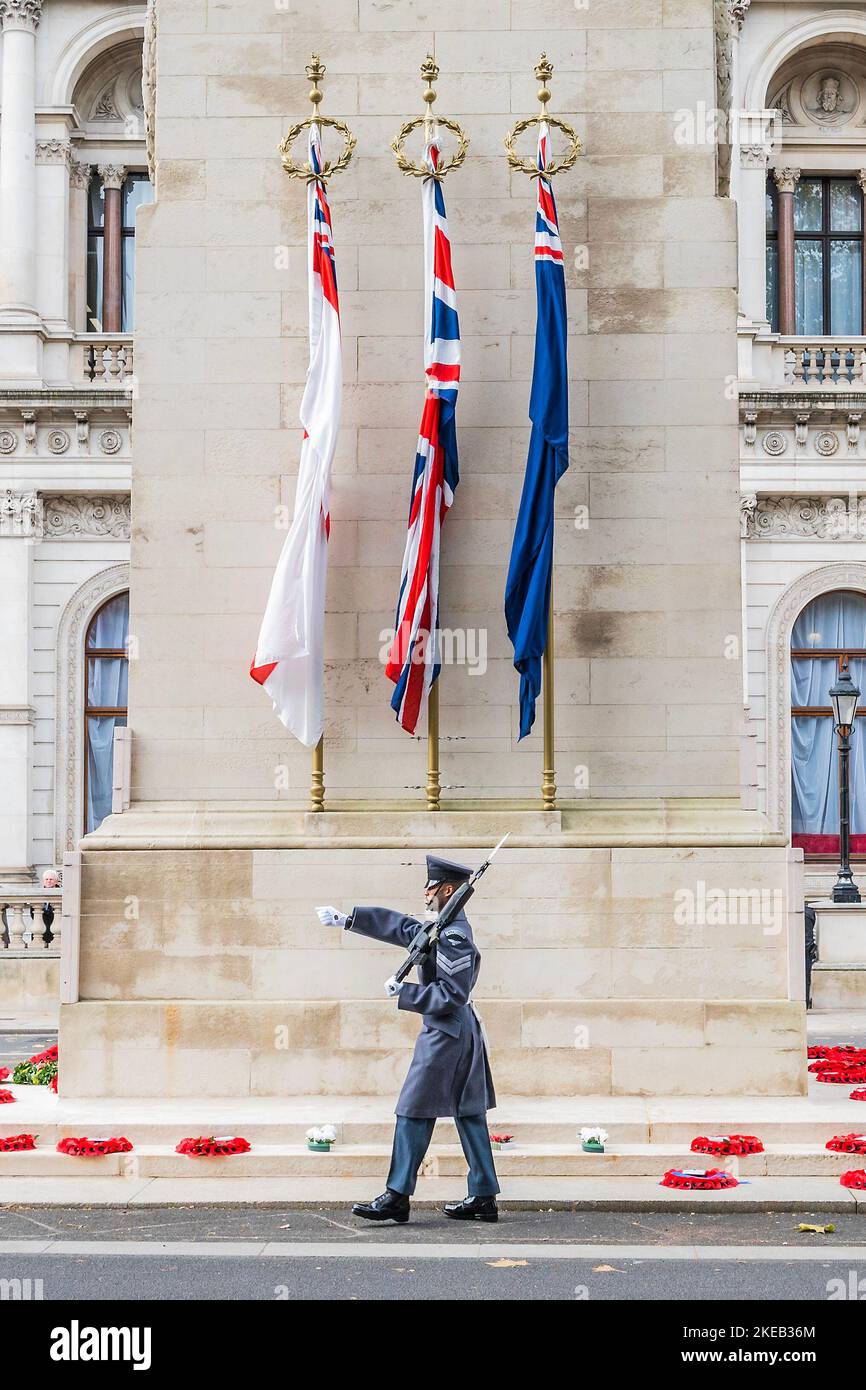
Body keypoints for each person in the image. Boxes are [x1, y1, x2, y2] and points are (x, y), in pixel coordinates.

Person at [315, 854, 499, 1224]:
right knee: (468, 1112)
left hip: (447, 1031)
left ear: (448, 890)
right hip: (455, 1030)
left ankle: (397, 1196)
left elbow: (453, 993)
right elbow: (402, 928)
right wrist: (348, 920)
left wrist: (406, 993)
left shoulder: (455, 936)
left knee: (413, 1109)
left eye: (431, 887)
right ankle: (482, 1196)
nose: (425, 892)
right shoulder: (440, 928)